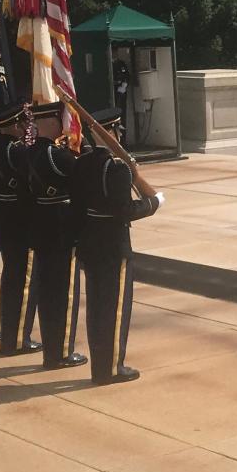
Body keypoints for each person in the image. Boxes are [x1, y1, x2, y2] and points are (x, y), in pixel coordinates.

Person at [72, 108, 163, 384]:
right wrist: (153, 203)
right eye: (118, 131)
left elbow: (77, 207)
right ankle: (110, 368)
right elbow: (124, 210)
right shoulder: (117, 167)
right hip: (113, 245)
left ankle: (99, 366)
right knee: (114, 309)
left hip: (89, 242)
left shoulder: (82, 162)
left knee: (97, 308)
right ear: (111, 133)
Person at [26, 101, 87, 368]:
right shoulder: (56, 156)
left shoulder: (27, 152)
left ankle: (51, 350)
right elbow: (82, 181)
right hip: (60, 232)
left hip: (38, 228)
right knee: (63, 294)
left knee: (47, 292)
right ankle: (59, 352)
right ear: (51, 122)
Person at [0, 102, 41, 356]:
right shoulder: (17, 152)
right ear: (13, 125)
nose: (24, 126)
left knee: (11, 279)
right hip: (20, 220)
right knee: (22, 281)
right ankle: (17, 339)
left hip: (2, 217)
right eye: (21, 122)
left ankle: (10, 337)